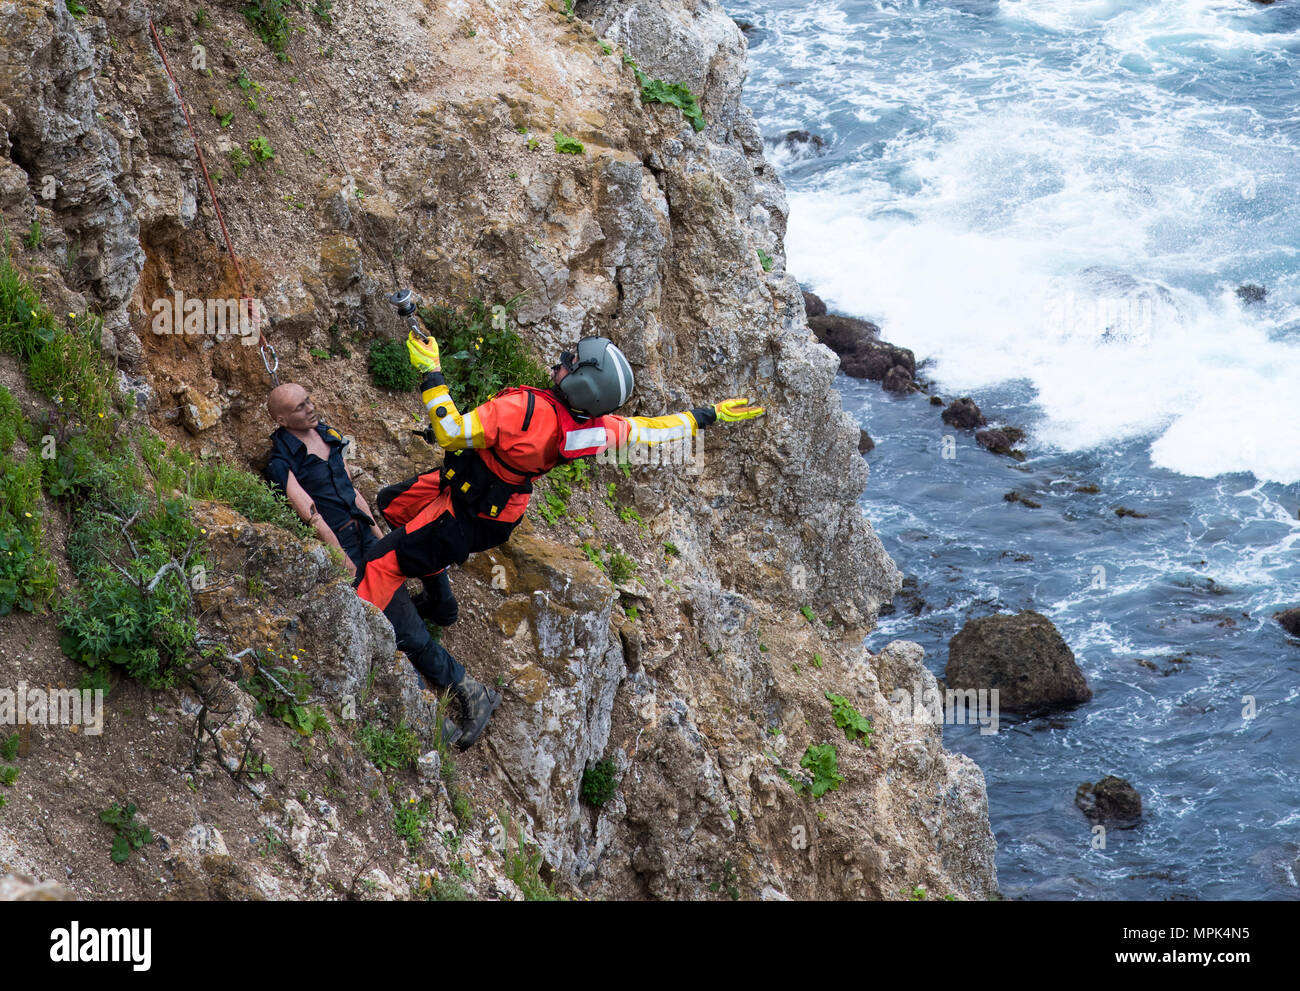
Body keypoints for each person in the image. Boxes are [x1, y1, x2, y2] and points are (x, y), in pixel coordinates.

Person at [356, 331, 766, 747]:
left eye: (570, 361)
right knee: (394, 505)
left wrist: (431, 373)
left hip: (463, 508)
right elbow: (649, 430)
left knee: (376, 568)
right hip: (496, 508)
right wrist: (707, 414)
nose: (562, 361)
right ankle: (441, 603)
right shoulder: (589, 428)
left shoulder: (524, 410)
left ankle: (462, 686)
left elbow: (451, 432)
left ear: (581, 383)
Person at [263, 383, 468, 745]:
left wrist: (376, 530)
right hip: (342, 543)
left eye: (310, 399)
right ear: (281, 419)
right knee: (391, 633)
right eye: (299, 407)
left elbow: (351, 488)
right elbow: (309, 513)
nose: (310, 408)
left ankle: (460, 688)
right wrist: (339, 555)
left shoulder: (326, 434)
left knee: (403, 621)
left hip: (365, 535)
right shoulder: (282, 461)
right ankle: (436, 715)